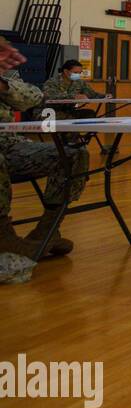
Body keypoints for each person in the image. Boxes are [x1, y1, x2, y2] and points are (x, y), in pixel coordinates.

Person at [1, 44, 88, 261]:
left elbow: (33, 97)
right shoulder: (55, 83)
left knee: (74, 154)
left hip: (11, 144)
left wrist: (2, 86)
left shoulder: (6, 74)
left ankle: (48, 230)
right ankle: (3, 236)